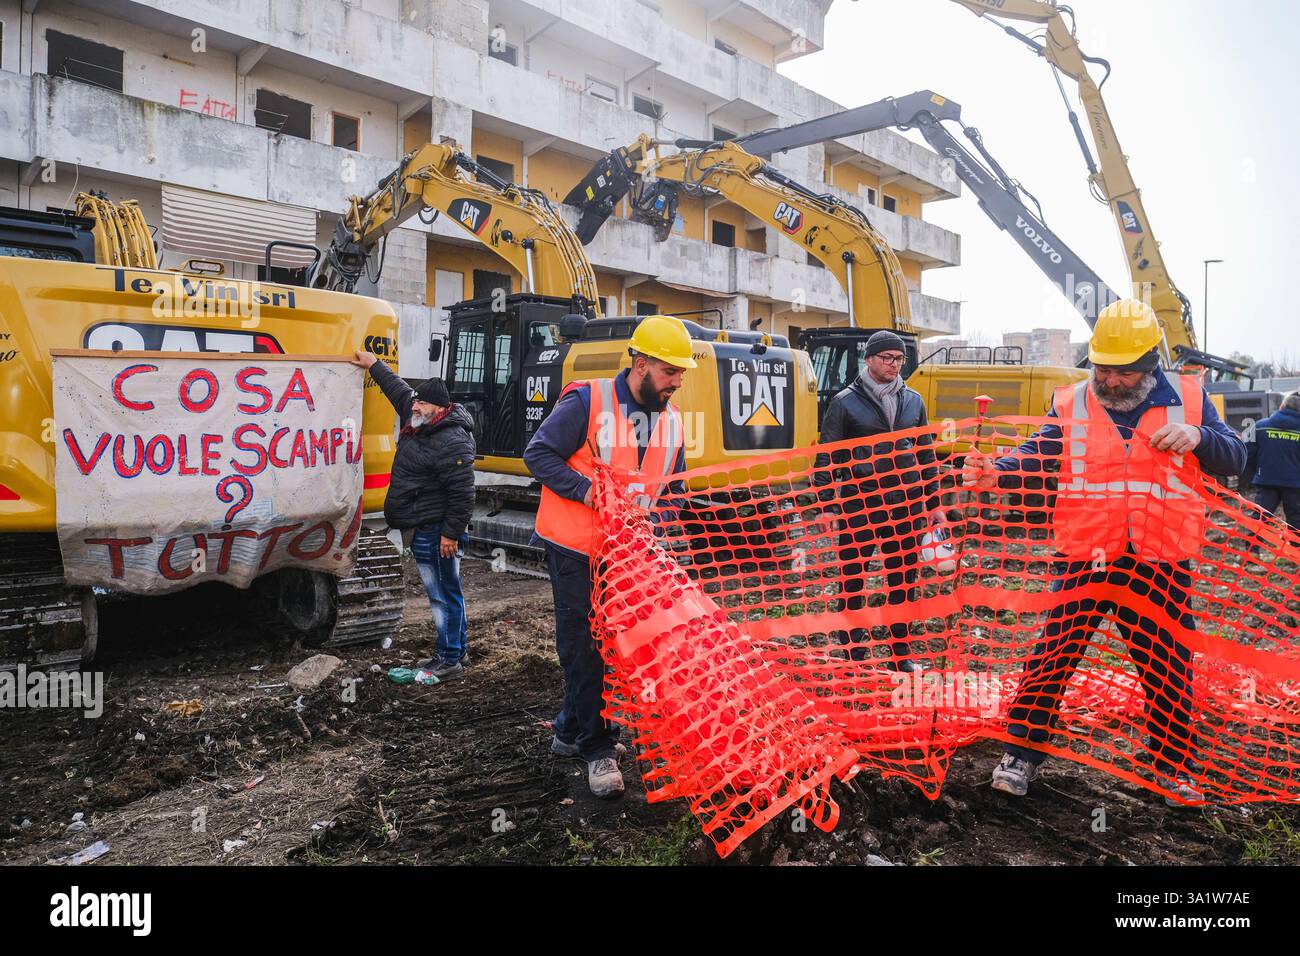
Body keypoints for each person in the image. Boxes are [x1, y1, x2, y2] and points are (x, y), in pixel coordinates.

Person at [962, 300, 1246, 806]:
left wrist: (1199, 436)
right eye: (1103, 369)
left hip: (1159, 560)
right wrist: (998, 470)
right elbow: (1039, 451)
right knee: (1053, 656)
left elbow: (1235, 456)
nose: (1111, 381)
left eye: (1124, 372)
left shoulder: (1189, 396)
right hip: (1084, 555)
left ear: (1150, 364)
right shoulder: (1071, 400)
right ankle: (1021, 753)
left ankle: (1173, 768)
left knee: (1165, 665)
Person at [523, 315, 693, 799]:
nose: (677, 382)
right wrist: (588, 492)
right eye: (669, 371)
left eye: (681, 373)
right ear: (640, 364)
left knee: (615, 645)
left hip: (628, 552)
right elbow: (538, 454)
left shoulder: (674, 418)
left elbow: (673, 488)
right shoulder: (586, 400)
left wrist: (659, 524)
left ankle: (566, 731)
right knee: (582, 643)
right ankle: (597, 749)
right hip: (575, 546)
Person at [814, 329, 940, 672]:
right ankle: (854, 649)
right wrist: (826, 504)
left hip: (906, 505)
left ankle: (901, 653)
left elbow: (926, 454)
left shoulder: (914, 401)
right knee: (853, 576)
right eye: (887, 358)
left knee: (902, 579)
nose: (894, 364)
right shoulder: (844, 402)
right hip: (861, 505)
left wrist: (934, 504)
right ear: (868, 359)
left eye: (899, 359)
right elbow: (827, 456)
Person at [352, 350, 476, 681]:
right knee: (450, 591)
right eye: (416, 402)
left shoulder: (451, 439)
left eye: (421, 404)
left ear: (439, 408)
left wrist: (450, 533)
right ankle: (457, 649)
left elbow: (463, 494)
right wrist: (373, 365)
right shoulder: (420, 419)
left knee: (442, 594)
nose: (414, 407)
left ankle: (448, 659)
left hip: (438, 531)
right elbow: (398, 389)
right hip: (425, 526)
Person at [1243, 391, 1300, 532]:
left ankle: (1253, 552)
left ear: (1281, 406)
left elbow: (1247, 454)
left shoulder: (1260, 426)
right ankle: (1295, 553)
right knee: (1295, 521)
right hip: (1294, 484)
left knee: (1261, 518)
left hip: (1266, 480)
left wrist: (1260, 470)